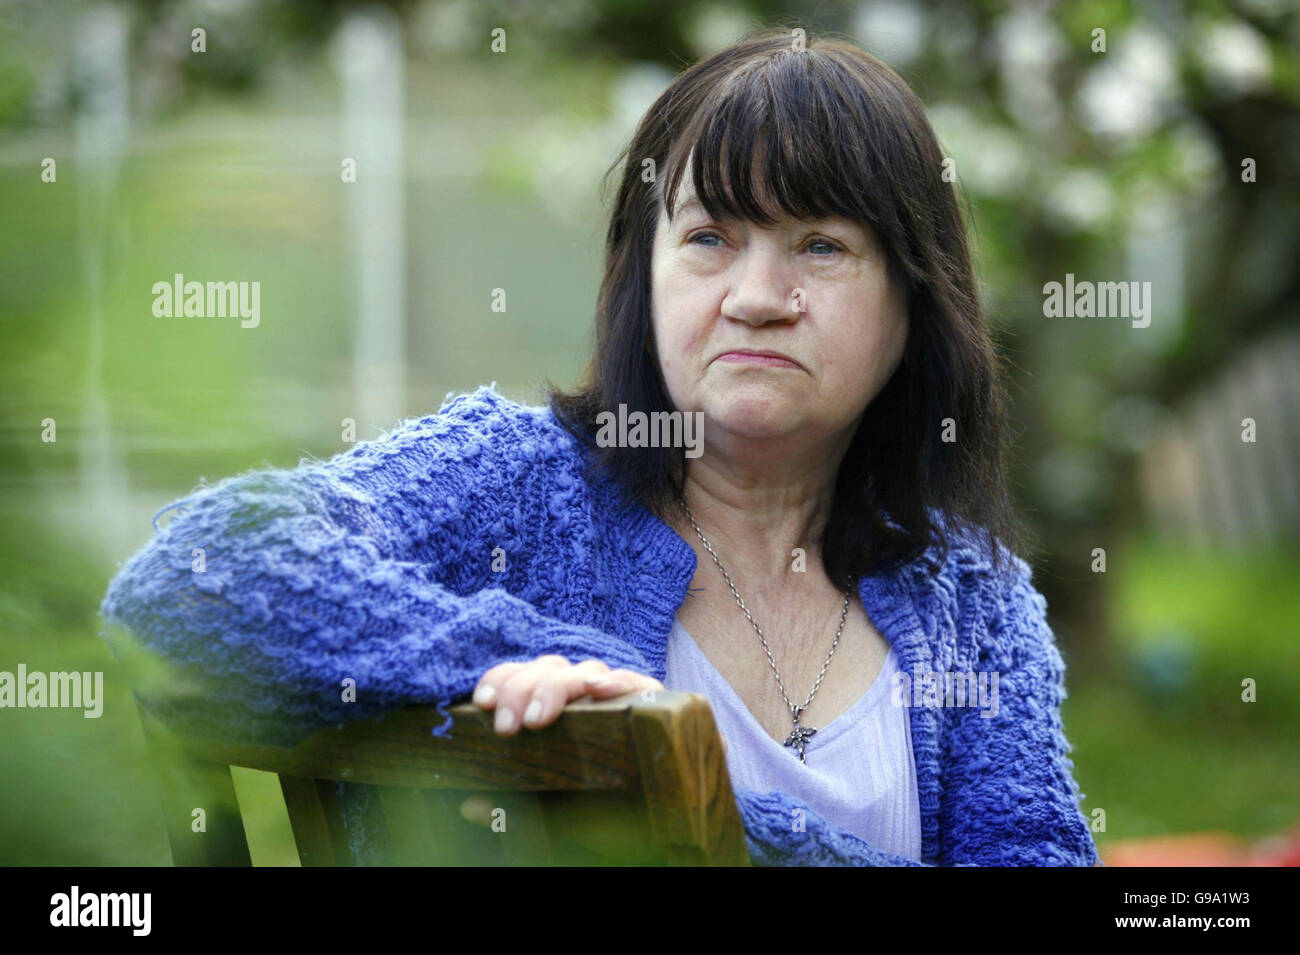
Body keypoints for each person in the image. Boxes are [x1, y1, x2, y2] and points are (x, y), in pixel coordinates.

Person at [99, 28, 1100, 866]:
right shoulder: (513, 483)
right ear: (642, 278)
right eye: (708, 237)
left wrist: (668, 783)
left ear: (913, 301)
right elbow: (184, 578)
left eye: (821, 246)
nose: (757, 297)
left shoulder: (969, 599)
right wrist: (520, 666)